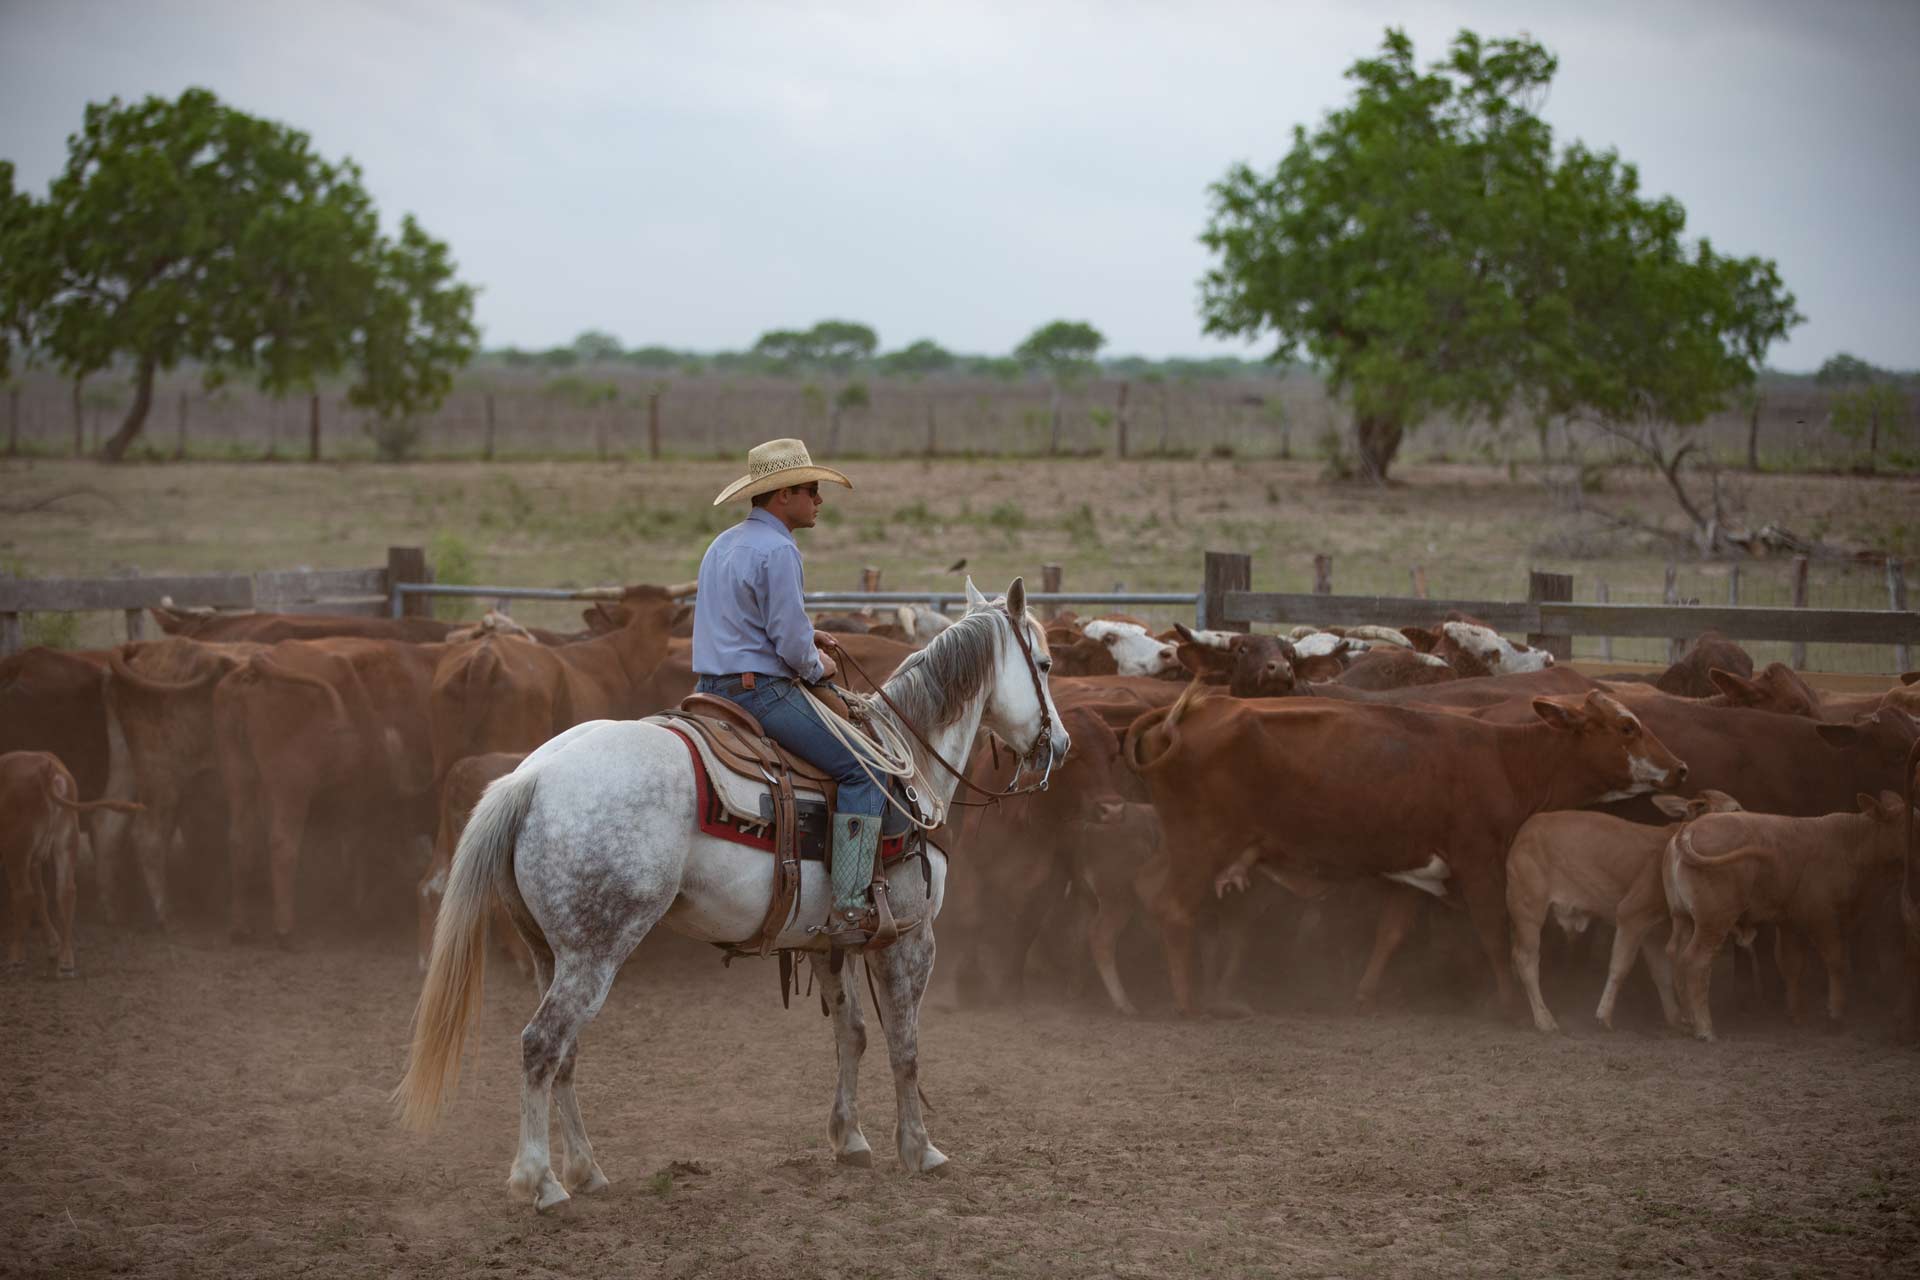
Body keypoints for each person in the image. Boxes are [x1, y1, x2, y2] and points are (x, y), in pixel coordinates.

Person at [692, 438, 887, 947]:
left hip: (708, 690)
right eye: (811, 490)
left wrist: (807, 631)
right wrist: (818, 663)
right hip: (759, 695)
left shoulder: (723, 544)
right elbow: (791, 648)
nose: (819, 500)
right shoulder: (779, 550)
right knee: (866, 767)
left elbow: (743, 619)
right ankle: (850, 902)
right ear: (784, 496)